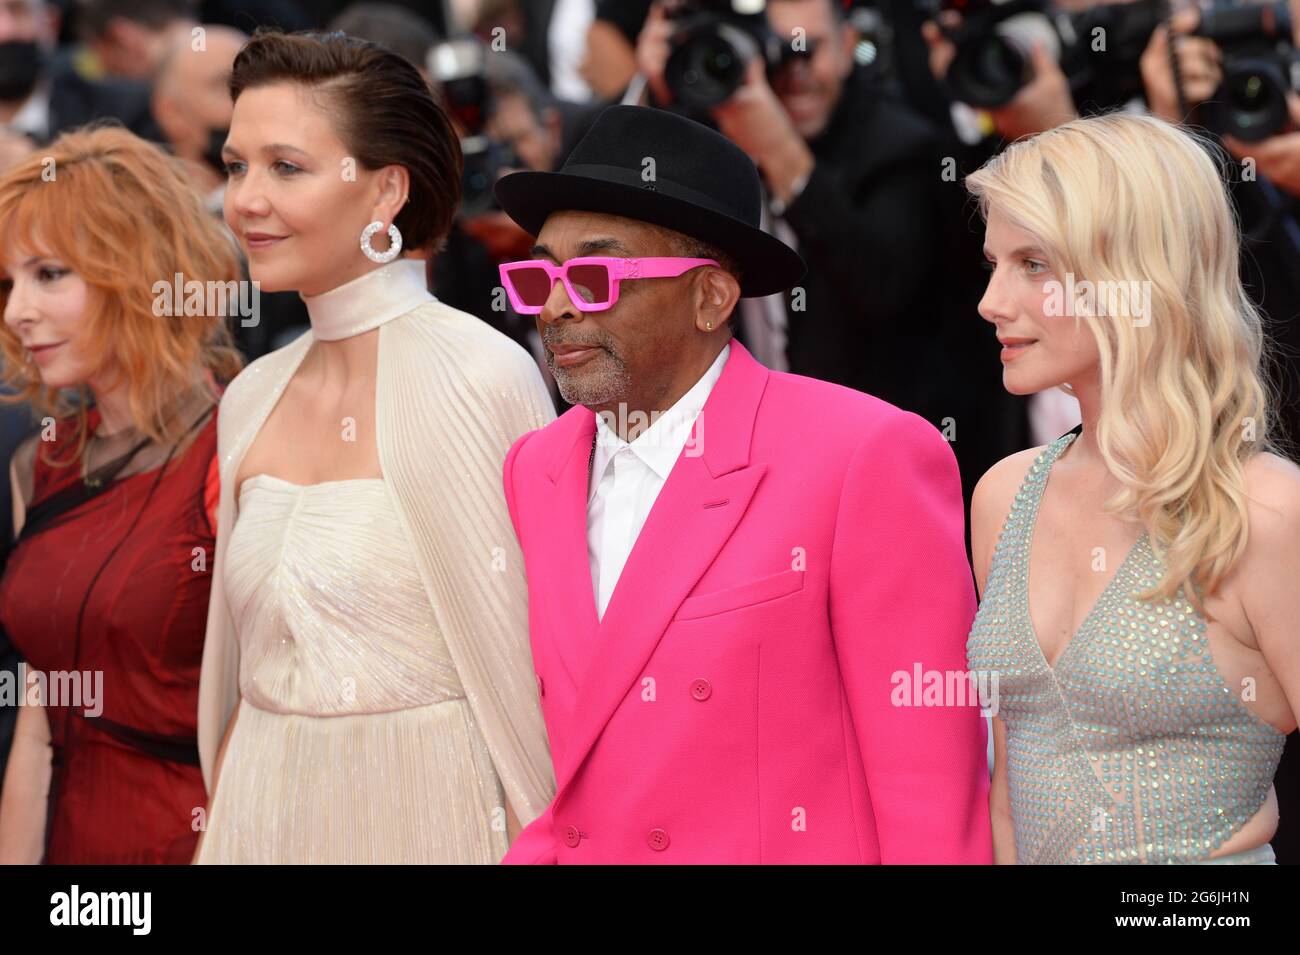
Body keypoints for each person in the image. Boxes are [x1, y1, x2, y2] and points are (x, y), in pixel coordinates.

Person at [493, 104, 992, 864]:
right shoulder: (535, 466)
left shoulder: (863, 454)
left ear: (712, 298)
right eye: (539, 275)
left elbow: (929, 790)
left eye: (594, 274)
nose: (555, 307)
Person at [194, 29, 556, 864]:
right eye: (236, 165)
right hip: (259, 817)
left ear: (385, 189)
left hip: (433, 818)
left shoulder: (480, 378)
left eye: (286, 167)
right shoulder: (251, 395)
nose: (246, 198)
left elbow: (529, 673)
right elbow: (237, 683)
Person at [965, 112, 1300, 864]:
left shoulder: (1266, 510)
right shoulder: (1004, 492)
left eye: (1035, 264)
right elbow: (1011, 787)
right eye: (994, 263)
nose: (992, 301)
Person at [0, 125, 242, 863]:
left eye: (49, 274)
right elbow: (39, 722)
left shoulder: (242, 440)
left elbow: (261, 718)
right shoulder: (38, 462)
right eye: (8, 283)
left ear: (138, 271)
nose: (16, 312)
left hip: (199, 836)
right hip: (73, 848)